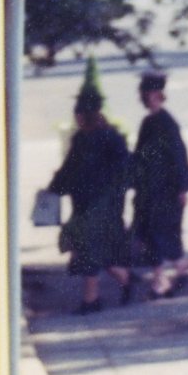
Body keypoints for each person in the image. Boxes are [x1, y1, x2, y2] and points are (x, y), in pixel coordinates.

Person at [48, 86, 134, 313]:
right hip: (89, 204)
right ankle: (124, 278)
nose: (76, 117)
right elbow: (70, 169)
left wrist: (55, 188)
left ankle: (91, 299)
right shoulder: (90, 138)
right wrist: (55, 187)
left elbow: (122, 171)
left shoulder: (102, 138)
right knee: (88, 249)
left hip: (98, 206)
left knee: (88, 249)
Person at [130, 72, 188, 298]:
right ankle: (171, 273)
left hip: (166, 190)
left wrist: (183, 187)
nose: (143, 98)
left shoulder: (167, 124)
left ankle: (169, 275)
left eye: (146, 94)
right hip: (148, 190)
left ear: (157, 95)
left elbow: (179, 156)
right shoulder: (148, 123)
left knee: (162, 232)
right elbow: (139, 156)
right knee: (149, 233)